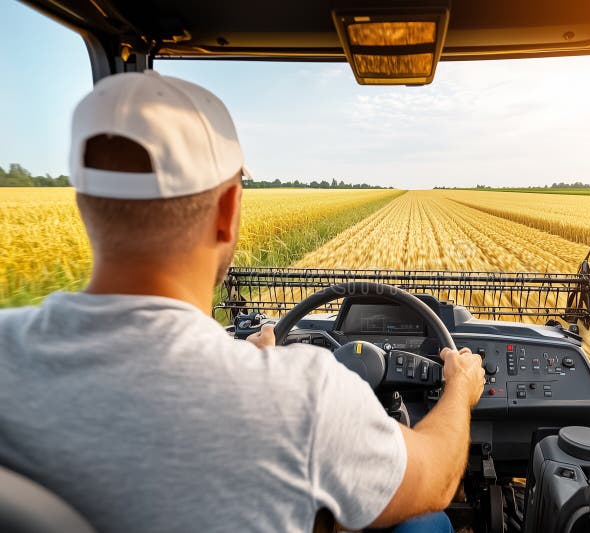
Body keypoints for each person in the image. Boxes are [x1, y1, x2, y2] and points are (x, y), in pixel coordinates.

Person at [0, 70, 485, 533]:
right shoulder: (301, 398)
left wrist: (244, 360)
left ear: (83, 206)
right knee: (429, 522)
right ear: (228, 211)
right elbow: (436, 478)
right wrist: (460, 390)